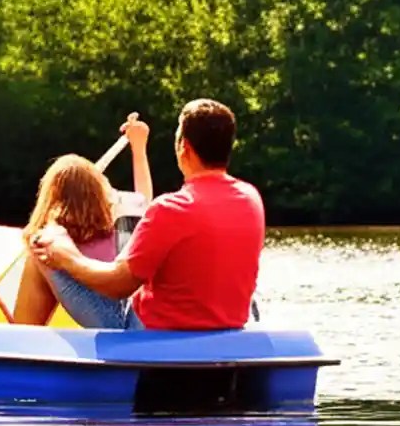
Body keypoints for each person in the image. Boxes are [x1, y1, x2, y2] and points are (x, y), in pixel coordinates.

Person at [30, 99, 264, 331]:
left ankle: (19, 349)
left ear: (184, 147)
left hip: (147, 336)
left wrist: (66, 255)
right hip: (225, 330)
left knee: (41, 244)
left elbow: (117, 285)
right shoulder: (251, 199)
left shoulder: (170, 209)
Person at [12, 114, 153, 325]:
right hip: (129, 311)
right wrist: (139, 148)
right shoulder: (126, 216)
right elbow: (144, 198)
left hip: (117, 319)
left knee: (38, 255)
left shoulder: (54, 237)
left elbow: (40, 235)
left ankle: (21, 337)